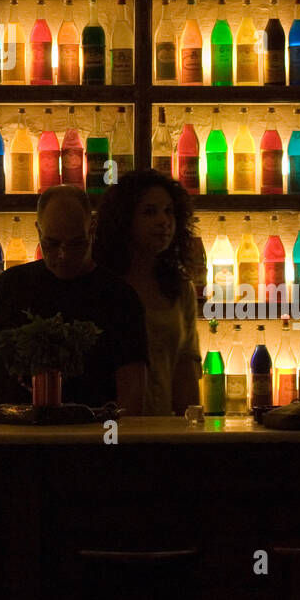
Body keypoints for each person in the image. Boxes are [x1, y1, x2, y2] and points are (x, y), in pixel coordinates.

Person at [0, 184, 148, 413]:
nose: (63, 255)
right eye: (52, 244)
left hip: (91, 442)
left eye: (76, 243)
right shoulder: (11, 286)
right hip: (16, 442)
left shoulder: (120, 298)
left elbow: (132, 399)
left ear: (92, 230)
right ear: (38, 231)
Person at [93, 169, 202, 417]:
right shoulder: (101, 284)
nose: (163, 221)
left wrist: (194, 433)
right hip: (105, 430)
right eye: (149, 212)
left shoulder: (178, 287)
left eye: (168, 211)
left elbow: (185, 369)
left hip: (161, 430)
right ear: (124, 220)